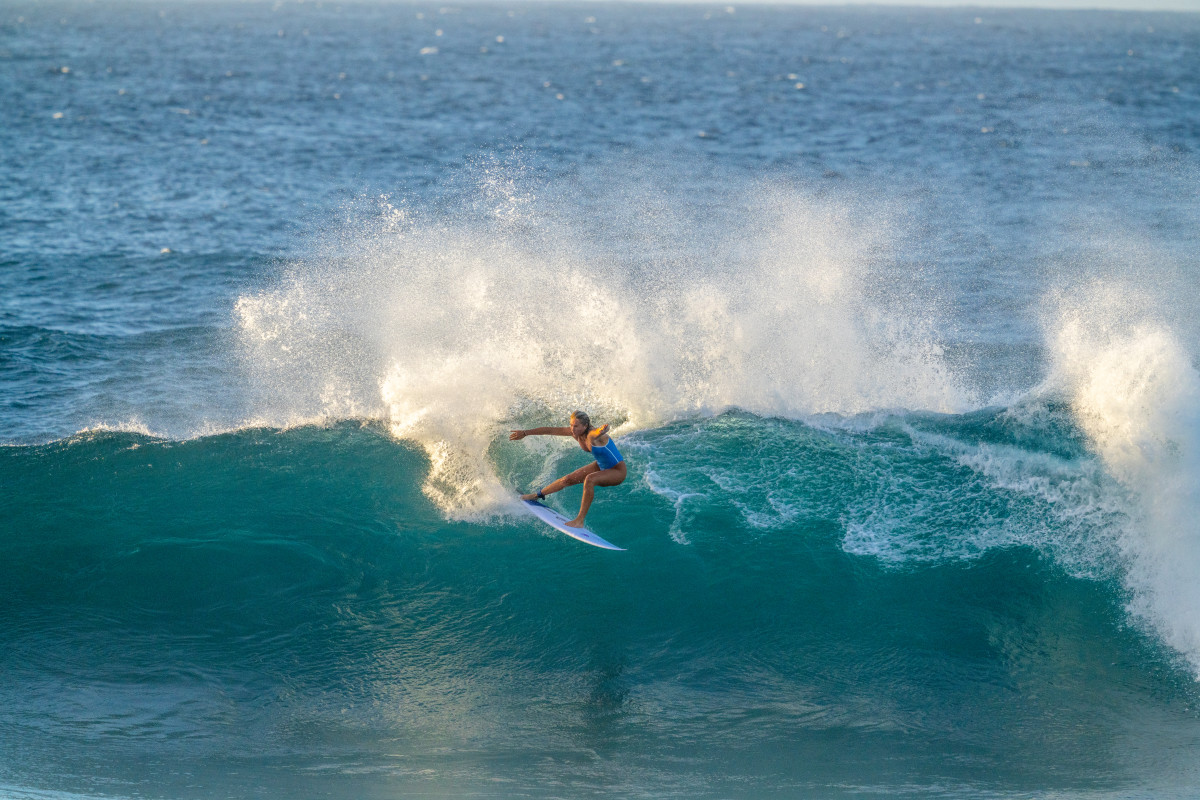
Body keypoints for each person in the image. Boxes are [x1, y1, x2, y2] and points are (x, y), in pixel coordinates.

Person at [510, 410, 627, 528]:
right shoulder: (574, 432)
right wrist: (525, 433)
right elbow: (549, 430)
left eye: (576, 426)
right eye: (571, 425)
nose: (572, 429)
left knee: (589, 479)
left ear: (585, 426)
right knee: (567, 479)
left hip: (617, 470)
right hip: (601, 465)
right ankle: (536, 496)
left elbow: (596, 433)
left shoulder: (592, 435)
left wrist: (601, 430)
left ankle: (579, 521)